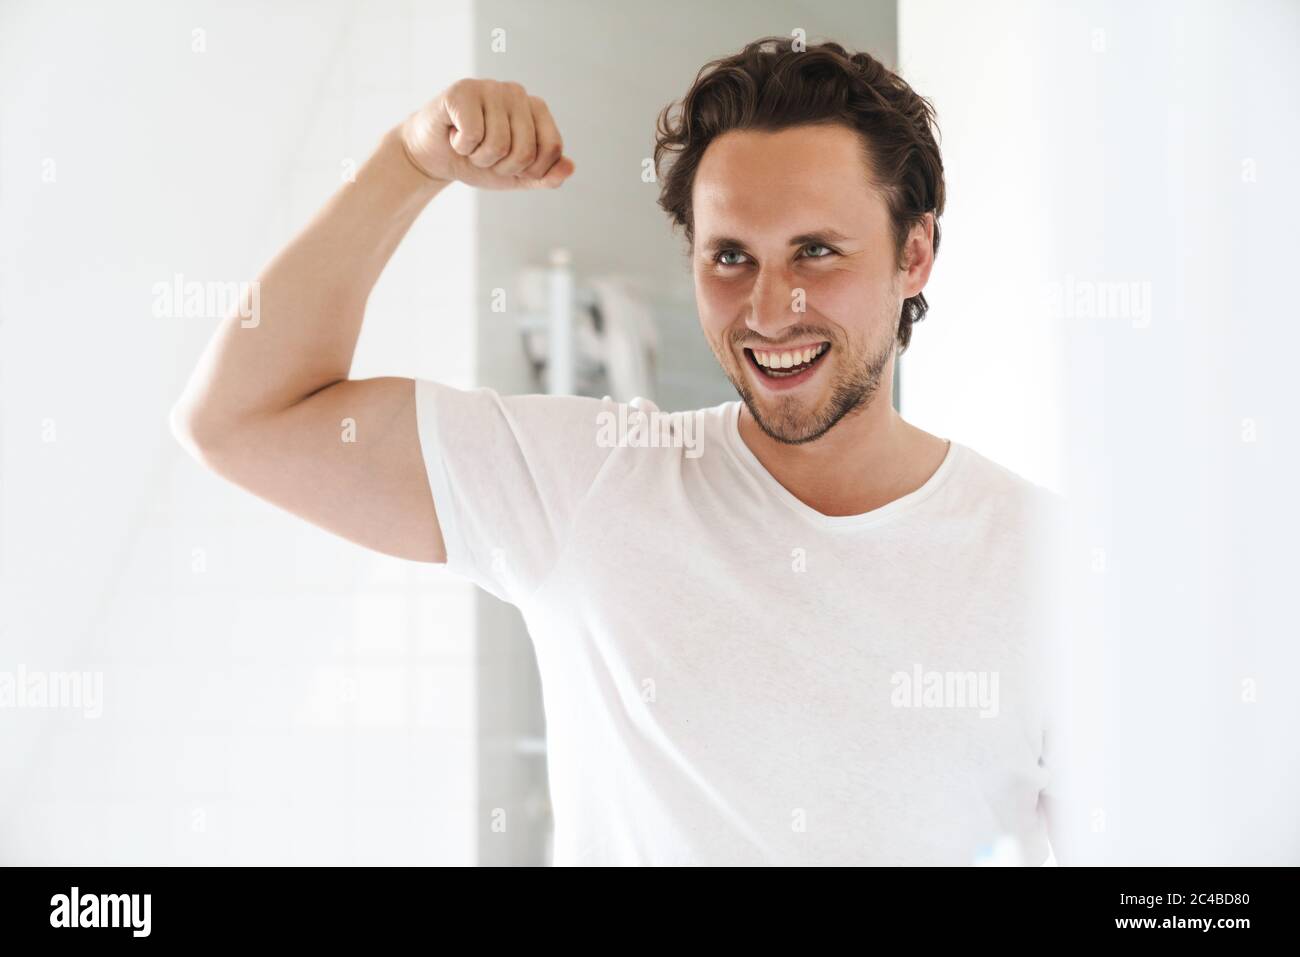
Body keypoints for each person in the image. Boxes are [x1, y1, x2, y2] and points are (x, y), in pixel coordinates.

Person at [172, 36, 1067, 866]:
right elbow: (243, 418)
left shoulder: (1045, 563)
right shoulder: (591, 480)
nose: (768, 308)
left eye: (817, 251)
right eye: (730, 257)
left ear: (915, 254)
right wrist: (407, 165)